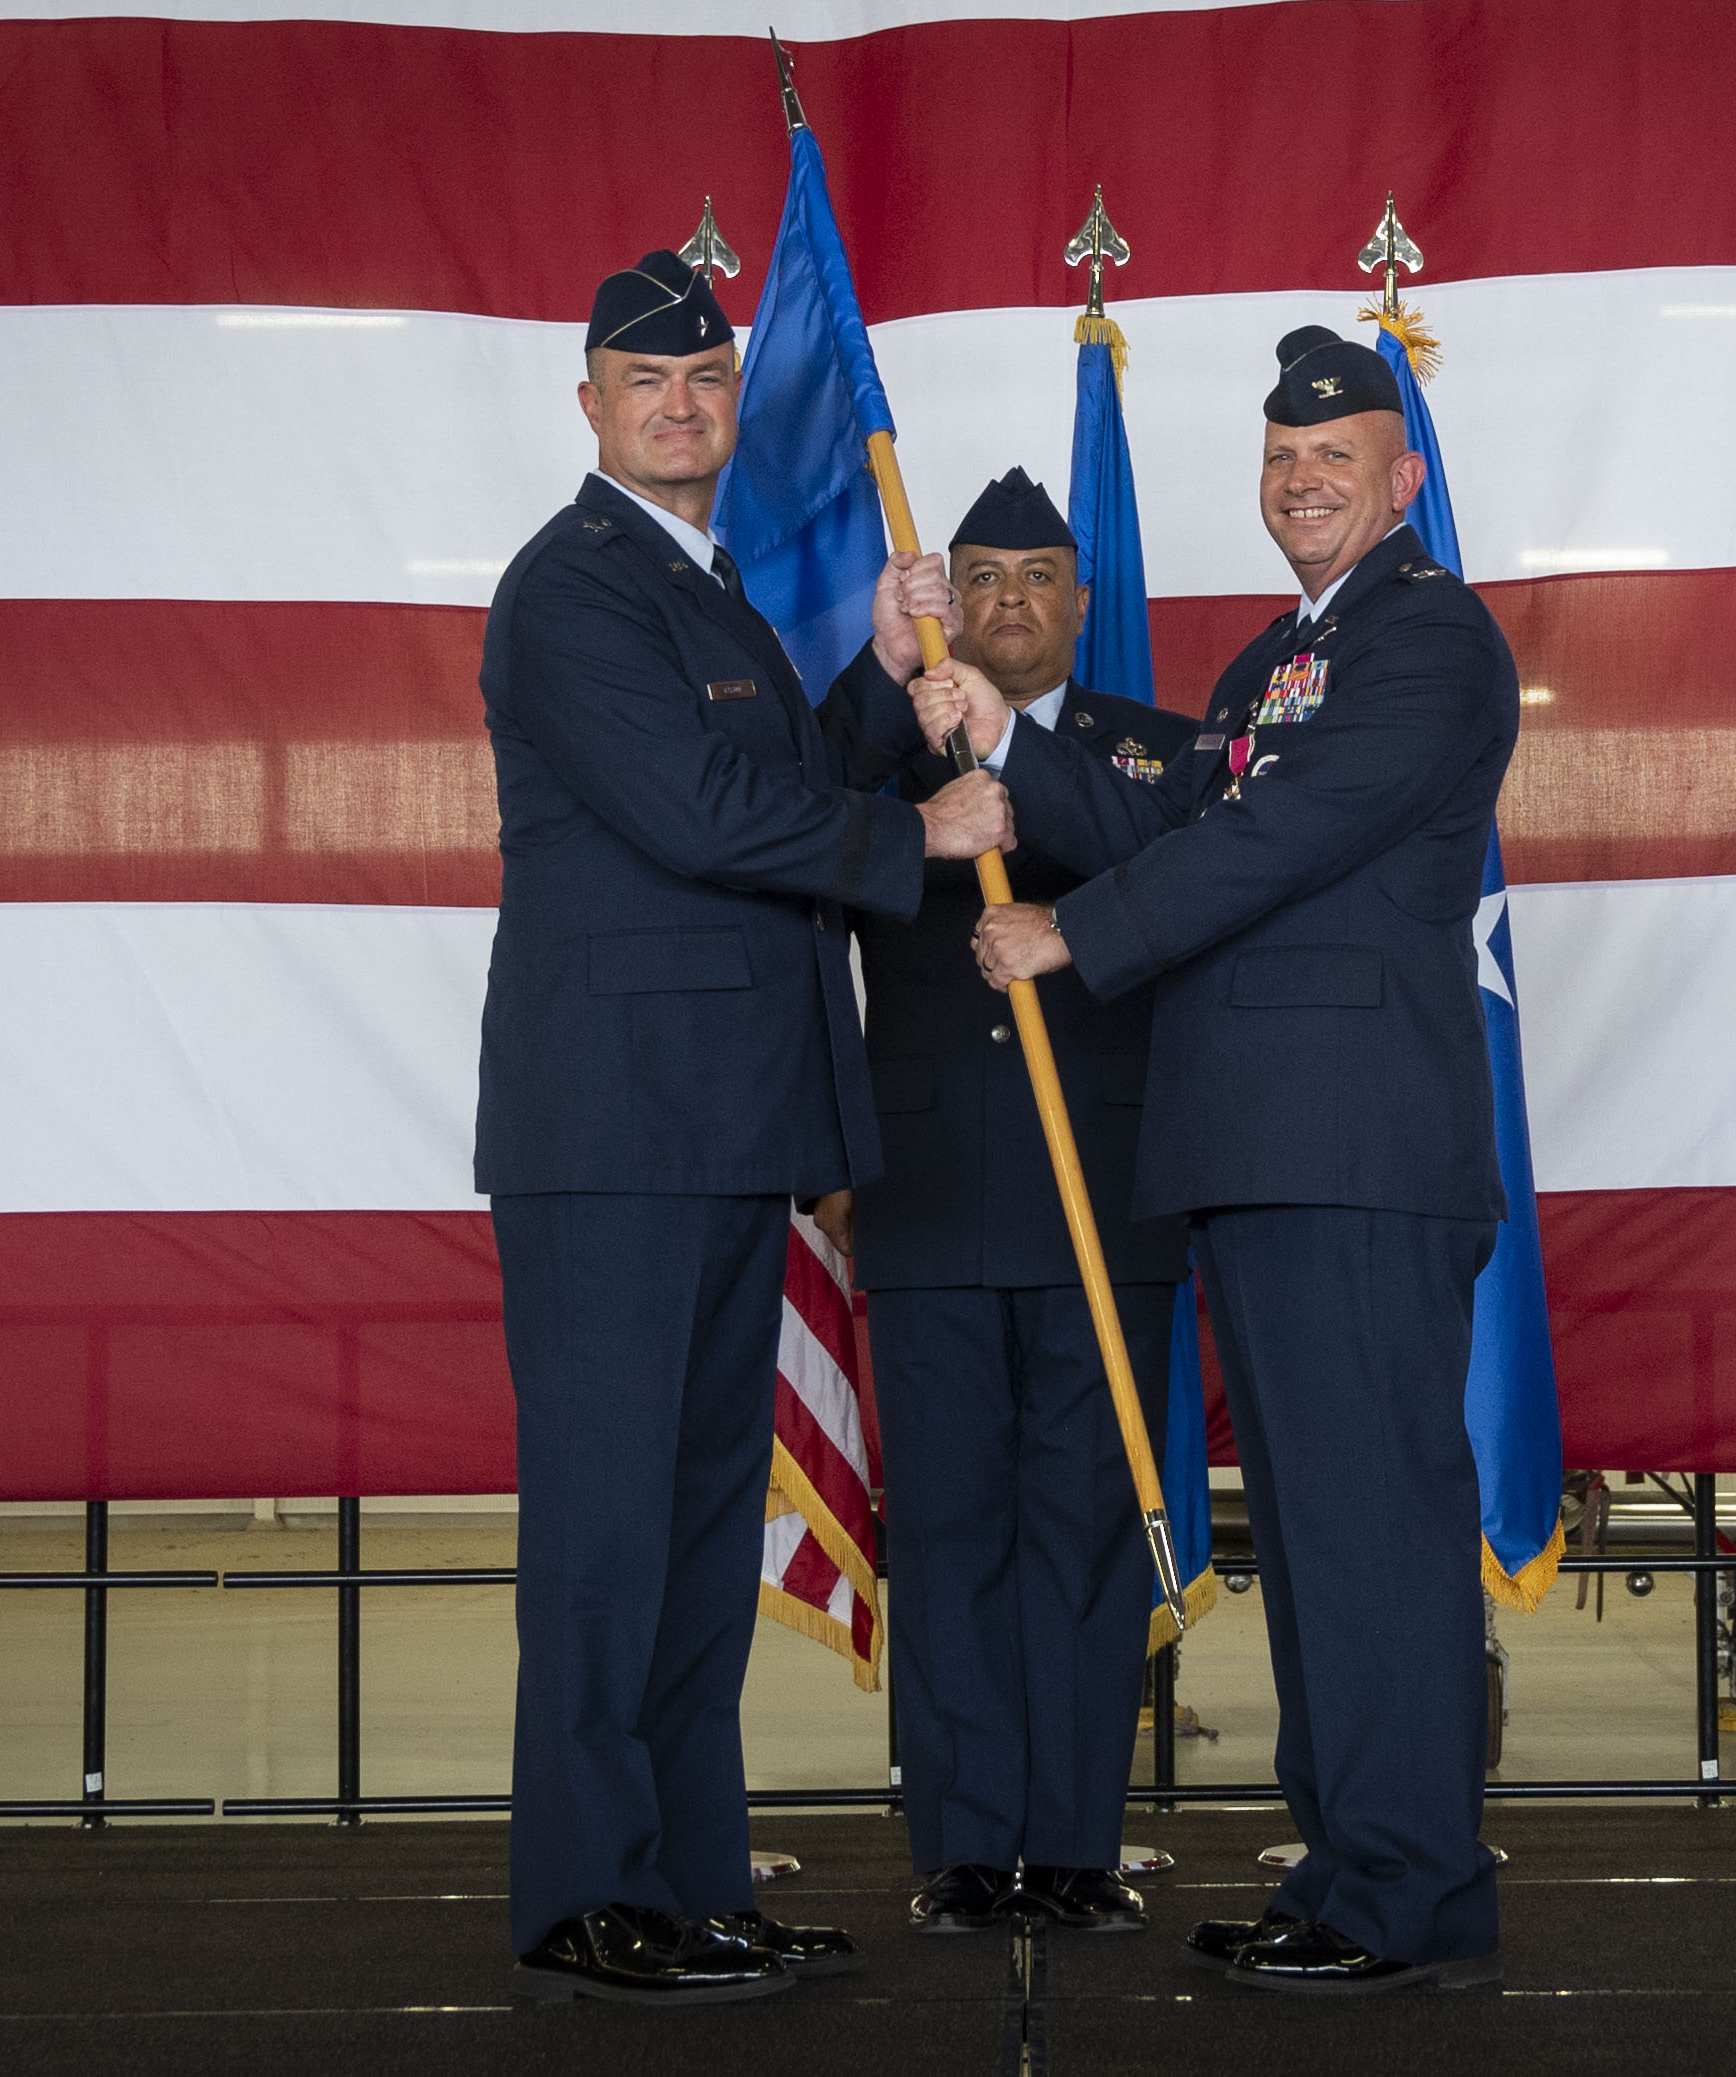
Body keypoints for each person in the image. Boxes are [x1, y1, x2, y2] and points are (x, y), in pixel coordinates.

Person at [922, 326, 1517, 1994]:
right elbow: (1176, 813)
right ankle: (1347, 1867)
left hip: (1353, 1151)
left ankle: (1407, 1887)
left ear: (1404, 478)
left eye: (1335, 457)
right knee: (1321, 1539)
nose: (1301, 480)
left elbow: (1288, 832)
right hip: (1258, 1150)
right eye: (1279, 460)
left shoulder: (1430, 641)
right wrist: (1009, 737)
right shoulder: (1271, 661)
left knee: (1376, 1533)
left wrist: (1074, 935)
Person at [474, 249, 1012, 2004]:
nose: (685, 405)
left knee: (700, 1528)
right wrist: (918, 840)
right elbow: (702, 811)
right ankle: (581, 1893)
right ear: (591, 410)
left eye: (706, 377)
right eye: (650, 385)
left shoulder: (702, 595)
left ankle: (690, 1877)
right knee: (611, 1533)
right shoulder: (572, 590)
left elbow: (774, 785)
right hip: (615, 1137)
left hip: (720, 1127)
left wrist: (860, 681)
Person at [816, 468, 1198, 1936]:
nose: (1011, 601)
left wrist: (1008, 750)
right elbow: (787, 893)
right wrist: (826, 1162)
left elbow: (1166, 873)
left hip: (1104, 1198)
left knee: (1083, 1534)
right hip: (919, 1199)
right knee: (957, 1531)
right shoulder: (877, 764)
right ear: (944, 601)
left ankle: (1074, 1841)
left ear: (1080, 603)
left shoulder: (1149, 755)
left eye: (1040, 575)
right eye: (980, 577)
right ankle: (966, 1843)